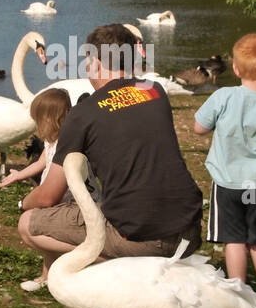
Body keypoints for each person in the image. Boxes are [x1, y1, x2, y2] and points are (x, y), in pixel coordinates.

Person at [18, 23, 203, 278]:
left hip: (143, 239)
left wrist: (24, 203)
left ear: (94, 61)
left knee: (28, 225)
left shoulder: (82, 114)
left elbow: (48, 196)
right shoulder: (154, 91)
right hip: (188, 233)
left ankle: (127, 264)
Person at [192, 33, 256, 308]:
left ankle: (238, 293)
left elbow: (199, 127)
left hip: (227, 184)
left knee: (234, 240)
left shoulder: (223, 96)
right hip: (255, 184)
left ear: (235, 68)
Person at [0, 87, 75, 291]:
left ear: (50, 120)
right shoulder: (50, 142)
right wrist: (18, 175)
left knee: (49, 235)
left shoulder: (67, 144)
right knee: (49, 237)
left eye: (38, 119)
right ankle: (49, 276)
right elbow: (41, 164)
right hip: (50, 193)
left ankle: (50, 277)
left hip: (64, 197)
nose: (35, 125)